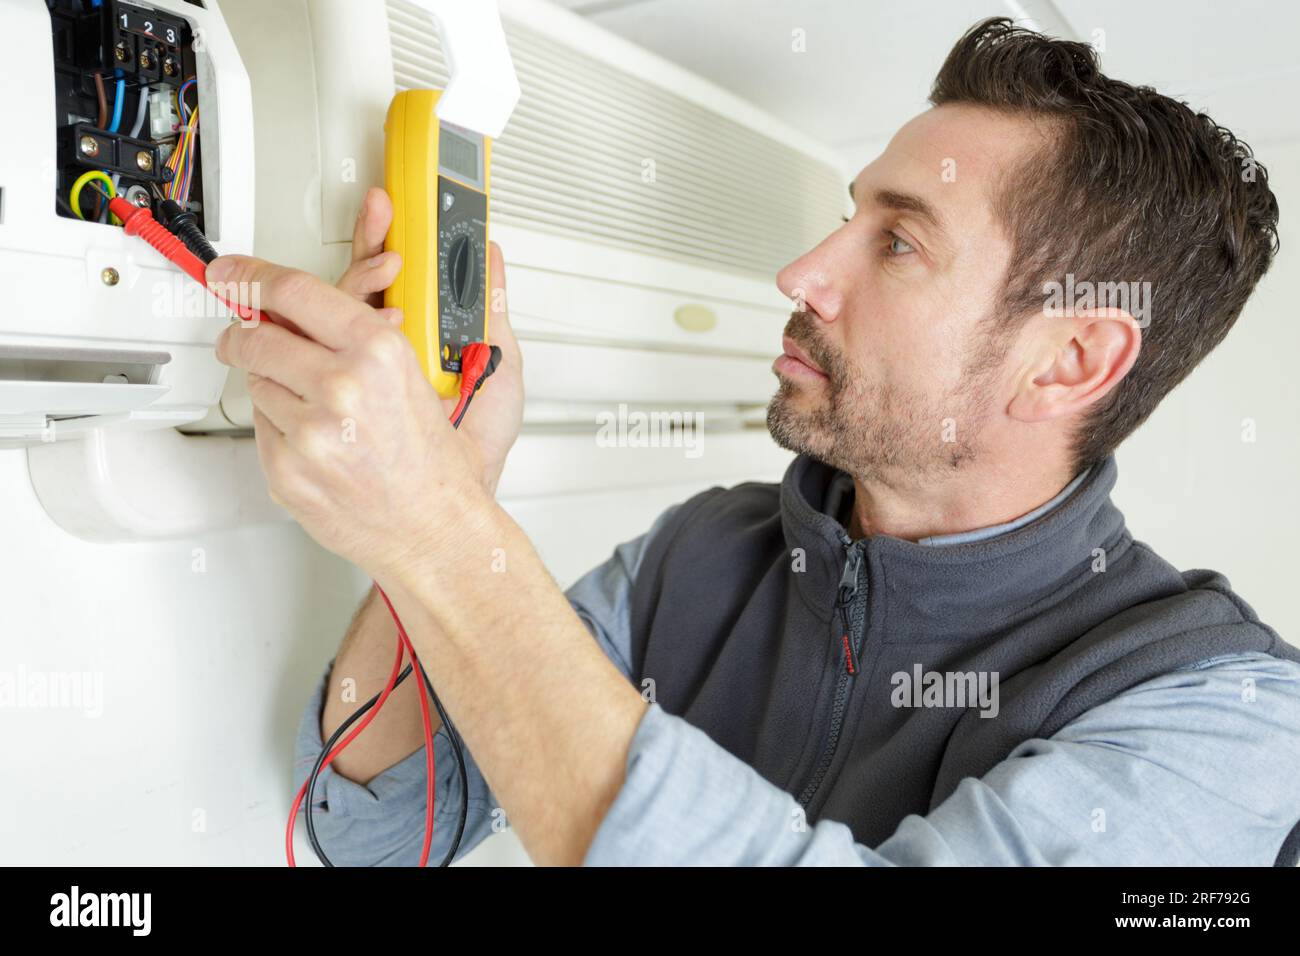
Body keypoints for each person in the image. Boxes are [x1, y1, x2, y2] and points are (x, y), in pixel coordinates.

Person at [213, 17, 1300, 865]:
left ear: (1066, 360)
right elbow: (374, 829)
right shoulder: (702, 556)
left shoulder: (1222, 719)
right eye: (847, 213)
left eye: (899, 241)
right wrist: (455, 482)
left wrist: (442, 531)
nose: (802, 273)